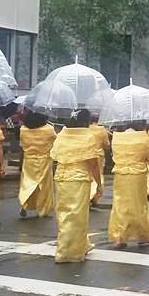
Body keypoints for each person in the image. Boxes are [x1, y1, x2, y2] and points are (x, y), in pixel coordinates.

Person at [50, 109, 101, 262]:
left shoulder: (61, 136)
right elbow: (92, 164)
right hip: (79, 178)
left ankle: (80, 245)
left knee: (64, 214)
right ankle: (69, 252)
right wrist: (98, 183)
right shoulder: (88, 137)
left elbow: (55, 158)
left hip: (61, 177)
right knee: (78, 216)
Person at [108, 121, 149, 248]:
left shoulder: (116, 137)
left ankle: (119, 236)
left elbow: (113, 155)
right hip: (138, 175)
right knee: (139, 204)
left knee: (120, 204)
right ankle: (142, 235)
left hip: (120, 173)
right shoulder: (143, 137)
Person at [18, 111, 56, 219]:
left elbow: (22, 144)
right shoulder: (49, 129)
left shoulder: (23, 129)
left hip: (29, 159)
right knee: (44, 186)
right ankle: (43, 210)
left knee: (27, 182)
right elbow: (55, 140)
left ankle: (24, 204)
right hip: (44, 159)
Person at [89, 114, 110, 205]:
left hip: (88, 154)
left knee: (90, 174)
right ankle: (93, 194)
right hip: (99, 155)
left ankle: (90, 194)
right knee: (99, 174)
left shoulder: (86, 128)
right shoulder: (102, 130)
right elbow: (106, 144)